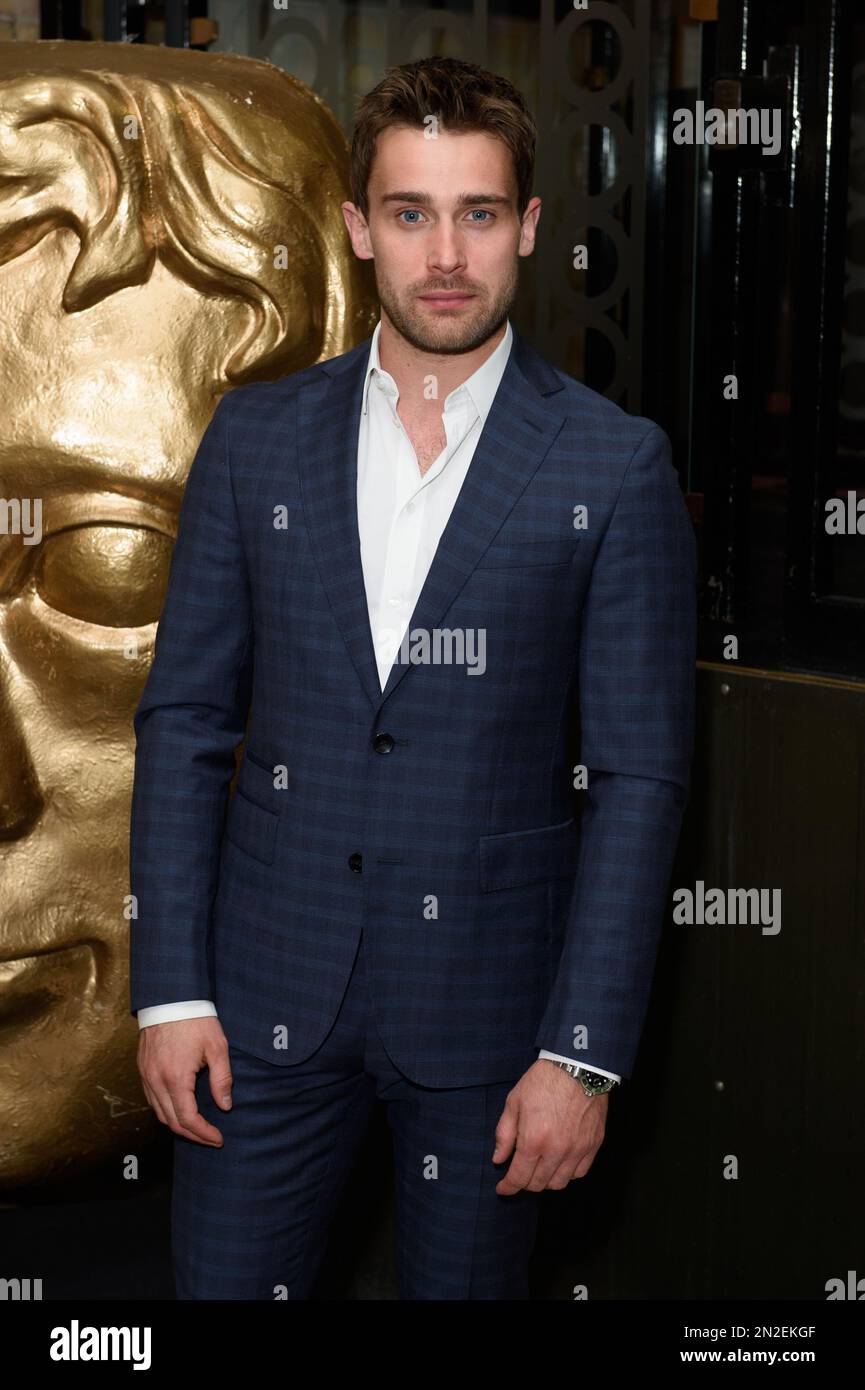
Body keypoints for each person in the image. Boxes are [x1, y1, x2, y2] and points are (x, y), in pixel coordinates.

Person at [129, 55, 697, 1300]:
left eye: (478, 213)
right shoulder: (255, 436)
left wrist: (583, 1056)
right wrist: (167, 987)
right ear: (356, 232)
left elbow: (642, 778)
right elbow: (182, 722)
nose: (445, 252)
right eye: (410, 212)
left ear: (530, 229)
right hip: (257, 1008)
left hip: (495, 1028)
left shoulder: (612, 468)